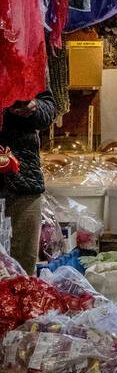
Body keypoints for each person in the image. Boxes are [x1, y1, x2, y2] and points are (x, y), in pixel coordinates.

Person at [0, 91, 57, 275]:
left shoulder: (28, 62)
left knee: (23, 273)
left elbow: (49, 109)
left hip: (23, 182)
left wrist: (33, 107)